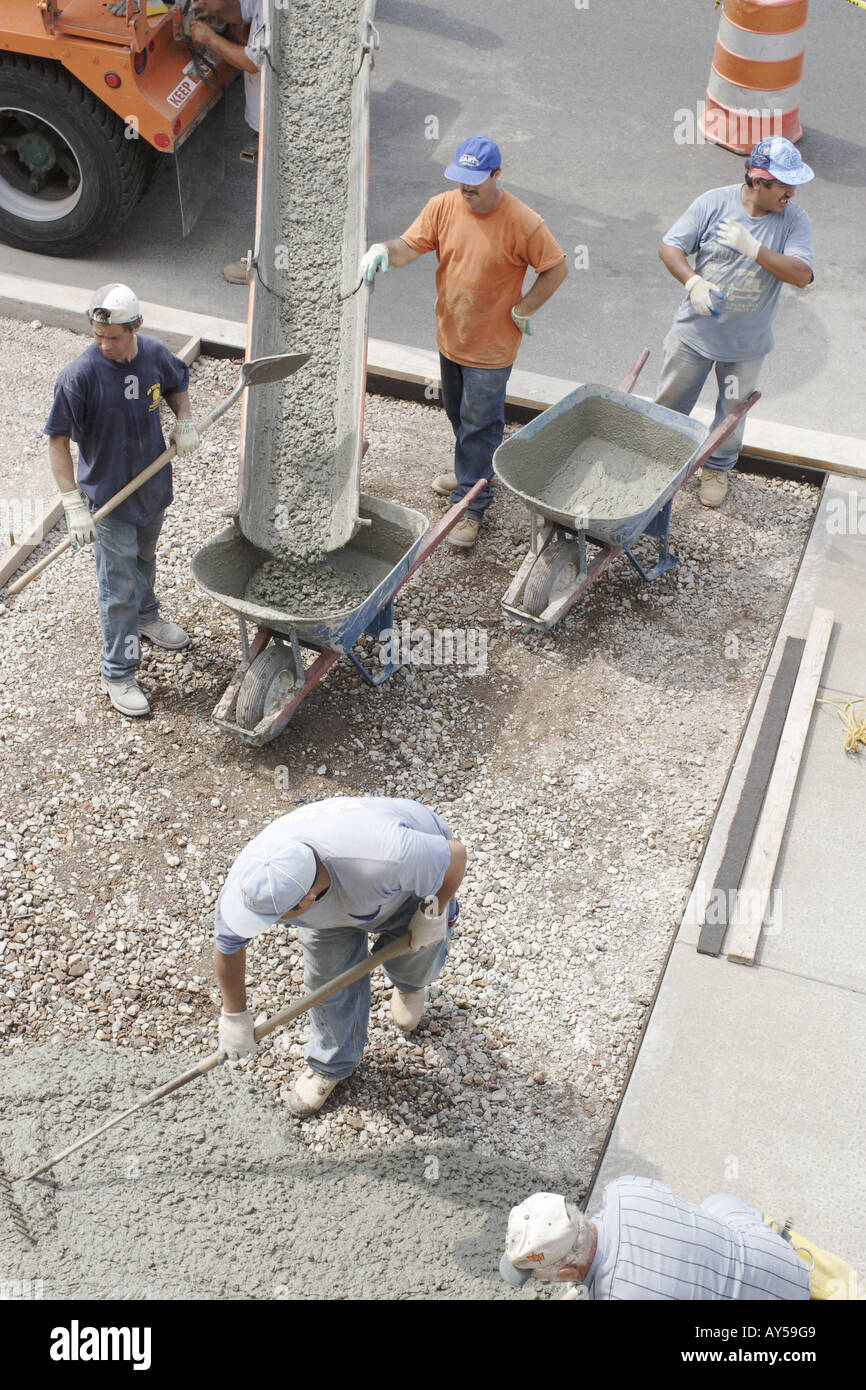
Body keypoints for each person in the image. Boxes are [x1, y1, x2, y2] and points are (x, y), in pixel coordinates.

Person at [360, 136, 567, 548]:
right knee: (457, 411)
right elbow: (409, 247)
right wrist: (382, 250)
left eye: (475, 182)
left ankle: (471, 505)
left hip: (491, 348)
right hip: (451, 334)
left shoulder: (524, 222)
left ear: (496, 174)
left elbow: (555, 269)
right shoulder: (443, 206)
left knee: (479, 423)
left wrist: (524, 309)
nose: (466, 189)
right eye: (461, 180)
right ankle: (472, 466)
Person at [213, 797, 467, 1117]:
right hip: (336, 901)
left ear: (304, 901)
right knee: (327, 980)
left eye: (276, 918)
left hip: (404, 888)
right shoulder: (254, 878)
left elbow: (455, 856)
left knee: (417, 951)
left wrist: (433, 911)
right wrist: (234, 1015)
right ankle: (330, 1064)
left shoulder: (392, 856)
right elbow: (229, 943)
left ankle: (410, 985)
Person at [44, 283, 200, 718]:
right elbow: (57, 442)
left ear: (135, 327)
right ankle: (118, 671)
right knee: (117, 590)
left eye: (113, 336)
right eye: (97, 335)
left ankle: (147, 617)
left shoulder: (152, 353)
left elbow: (176, 382)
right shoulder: (80, 376)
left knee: (145, 560)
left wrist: (184, 421)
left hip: (152, 488)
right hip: (109, 501)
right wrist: (74, 504)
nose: (104, 344)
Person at [656, 136, 814, 509]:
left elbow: (802, 275)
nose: (791, 192)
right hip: (693, 336)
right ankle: (658, 460)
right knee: (669, 404)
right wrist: (692, 281)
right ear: (758, 182)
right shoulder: (714, 202)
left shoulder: (794, 220)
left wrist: (754, 249)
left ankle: (716, 467)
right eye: (783, 184)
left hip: (745, 347)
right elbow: (670, 246)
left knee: (731, 412)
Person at [500, 1177, 813, 1300]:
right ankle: (783, 1239)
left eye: (540, 1275)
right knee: (717, 1203)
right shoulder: (625, 1189)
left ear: (568, 1273)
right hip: (782, 1263)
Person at [189, 0, 263, 283]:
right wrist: (218, 9)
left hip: (279, 120)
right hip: (269, 119)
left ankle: (264, 270)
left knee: (274, 199)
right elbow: (244, 10)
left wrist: (210, 38)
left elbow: (253, 61)